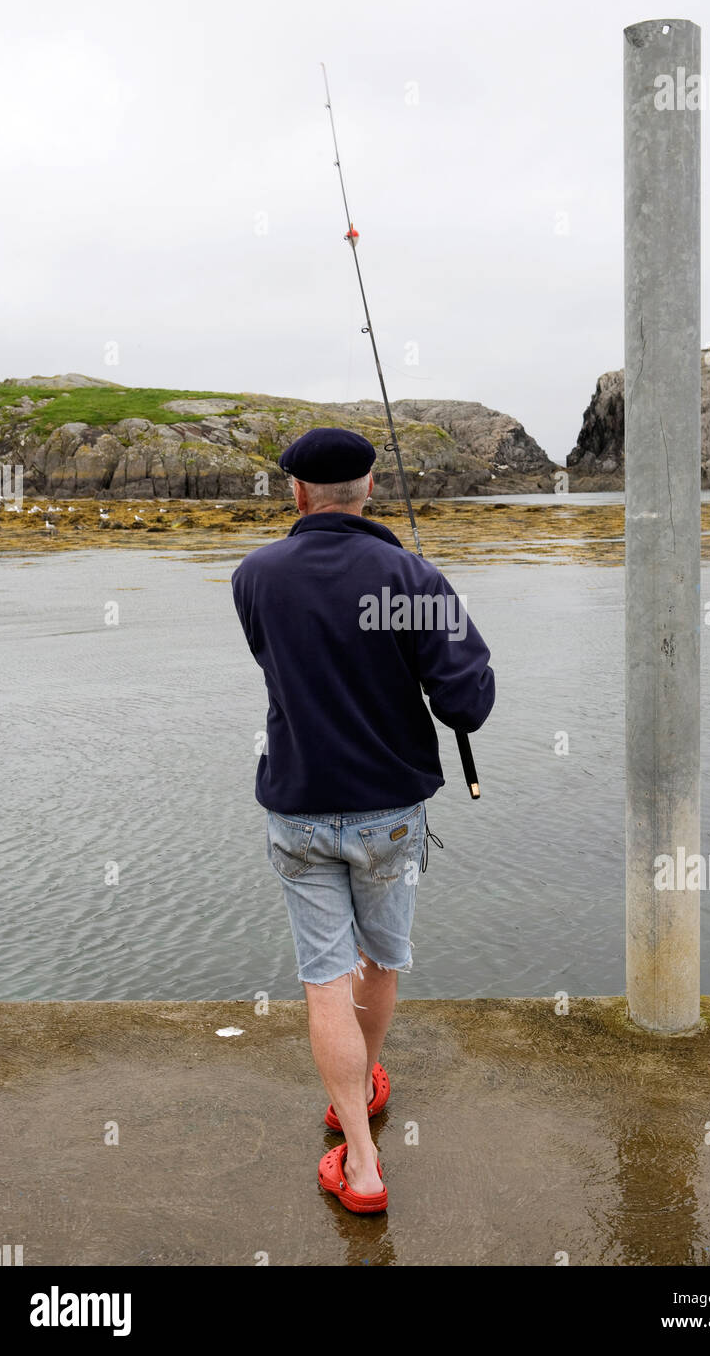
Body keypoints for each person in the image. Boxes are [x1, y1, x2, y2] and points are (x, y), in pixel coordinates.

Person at [231, 426, 495, 1213]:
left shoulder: (255, 575)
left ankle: (363, 1161)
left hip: (299, 805)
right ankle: (364, 1090)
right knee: (380, 960)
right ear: (371, 487)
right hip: (388, 810)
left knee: (323, 982)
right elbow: (466, 704)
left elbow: (276, 661)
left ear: (299, 493)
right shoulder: (409, 577)